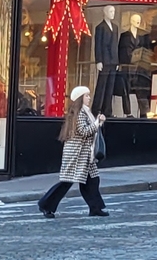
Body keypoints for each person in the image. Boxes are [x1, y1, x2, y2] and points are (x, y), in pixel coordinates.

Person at [37, 85, 109, 219]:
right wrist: (98, 122)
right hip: (77, 155)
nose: (89, 98)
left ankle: (95, 208)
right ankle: (46, 205)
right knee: (67, 182)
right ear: (80, 98)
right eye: (86, 95)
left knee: (92, 180)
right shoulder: (80, 113)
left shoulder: (83, 112)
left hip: (84, 155)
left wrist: (97, 122)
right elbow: (84, 131)